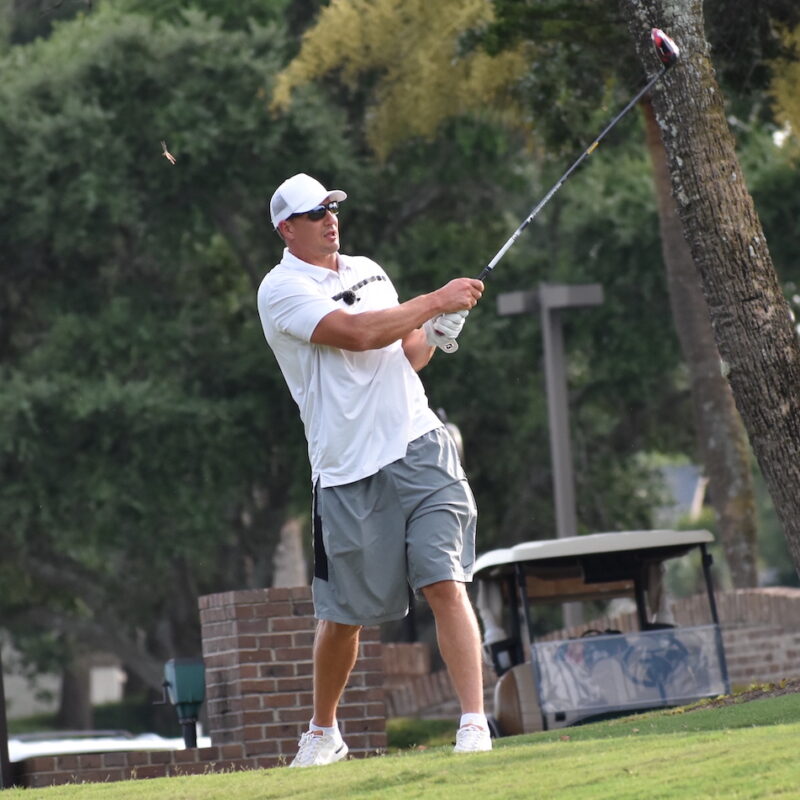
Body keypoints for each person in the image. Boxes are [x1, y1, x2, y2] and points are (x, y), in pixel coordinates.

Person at [257, 173, 491, 767]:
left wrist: (437, 332)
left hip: (419, 444)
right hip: (347, 469)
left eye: (332, 208)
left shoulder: (370, 270)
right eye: (315, 214)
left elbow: (402, 357)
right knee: (345, 619)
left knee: (444, 580)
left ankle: (473, 723)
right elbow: (357, 336)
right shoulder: (280, 290)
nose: (330, 219)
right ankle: (323, 731)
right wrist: (435, 301)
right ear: (287, 229)